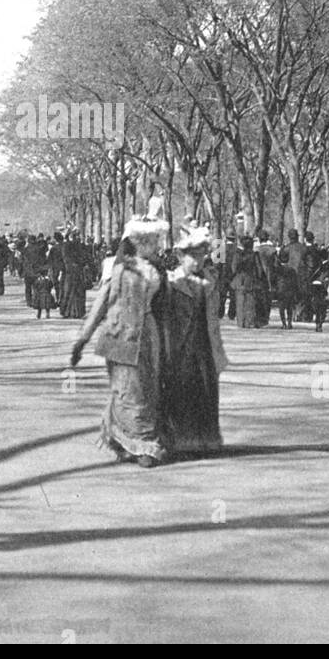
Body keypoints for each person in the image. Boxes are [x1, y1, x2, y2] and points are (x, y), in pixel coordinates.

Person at [71, 198, 170, 468]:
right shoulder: (119, 269)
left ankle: (126, 439)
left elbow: (167, 306)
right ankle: (143, 443)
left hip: (149, 336)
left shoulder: (159, 269)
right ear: (141, 242)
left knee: (148, 390)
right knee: (129, 390)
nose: (158, 245)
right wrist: (83, 338)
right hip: (120, 336)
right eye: (154, 241)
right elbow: (102, 303)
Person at [160, 226, 226, 457]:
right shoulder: (172, 282)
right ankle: (182, 440)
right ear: (180, 256)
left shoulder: (210, 281)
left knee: (206, 390)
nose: (197, 261)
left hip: (204, 345)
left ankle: (206, 438)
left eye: (201, 255)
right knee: (182, 391)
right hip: (180, 346)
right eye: (192, 256)